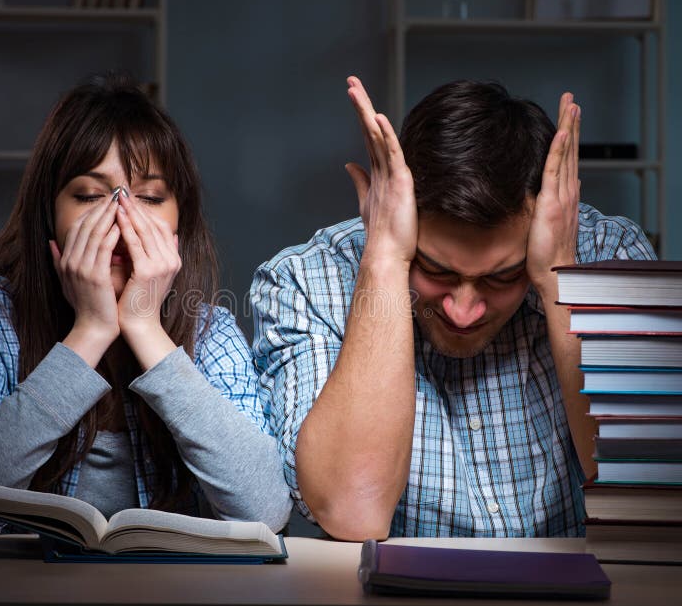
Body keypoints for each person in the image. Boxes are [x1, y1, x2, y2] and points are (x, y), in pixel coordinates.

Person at [251, 77, 655, 541]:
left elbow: (644, 491)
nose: (463, 312)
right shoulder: (305, 280)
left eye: (502, 277)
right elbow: (352, 511)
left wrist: (560, 276)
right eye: (434, 269)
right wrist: (385, 258)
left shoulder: (610, 253)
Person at [0, 72, 292, 533]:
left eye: (150, 198)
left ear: (180, 223)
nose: (120, 218)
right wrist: (89, 332)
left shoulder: (210, 329)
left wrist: (145, 328)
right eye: (91, 195)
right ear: (50, 215)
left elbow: (266, 511)